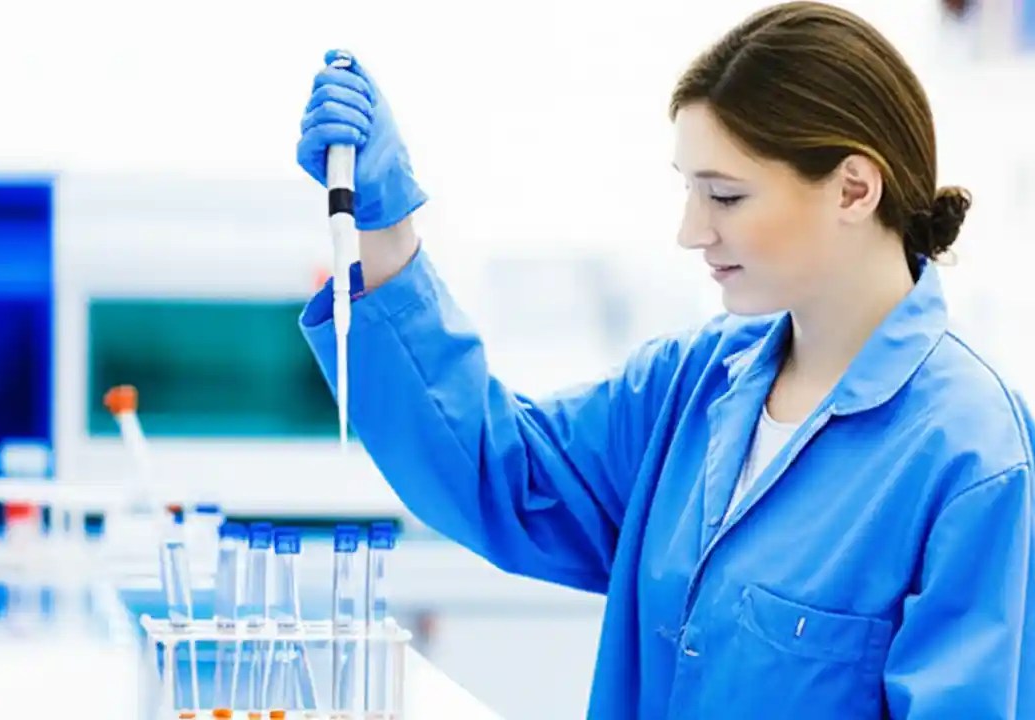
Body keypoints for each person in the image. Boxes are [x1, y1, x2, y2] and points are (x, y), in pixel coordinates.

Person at [294, 2, 1034, 718]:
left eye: (725, 197)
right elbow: (501, 472)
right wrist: (385, 234)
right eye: (689, 190)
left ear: (853, 189)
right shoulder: (687, 388)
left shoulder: (972, 455)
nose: (691, 231)